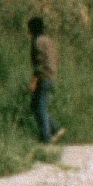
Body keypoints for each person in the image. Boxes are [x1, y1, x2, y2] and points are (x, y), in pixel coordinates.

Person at [27, 14, 61, 143]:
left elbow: (39, 64)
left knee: (40, 108)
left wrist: (34, 81)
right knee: (35, 106)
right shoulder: (48, 40)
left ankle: (46, 139)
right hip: (51, 76)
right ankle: (55, 128)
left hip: (43, 77)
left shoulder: (38, 42)